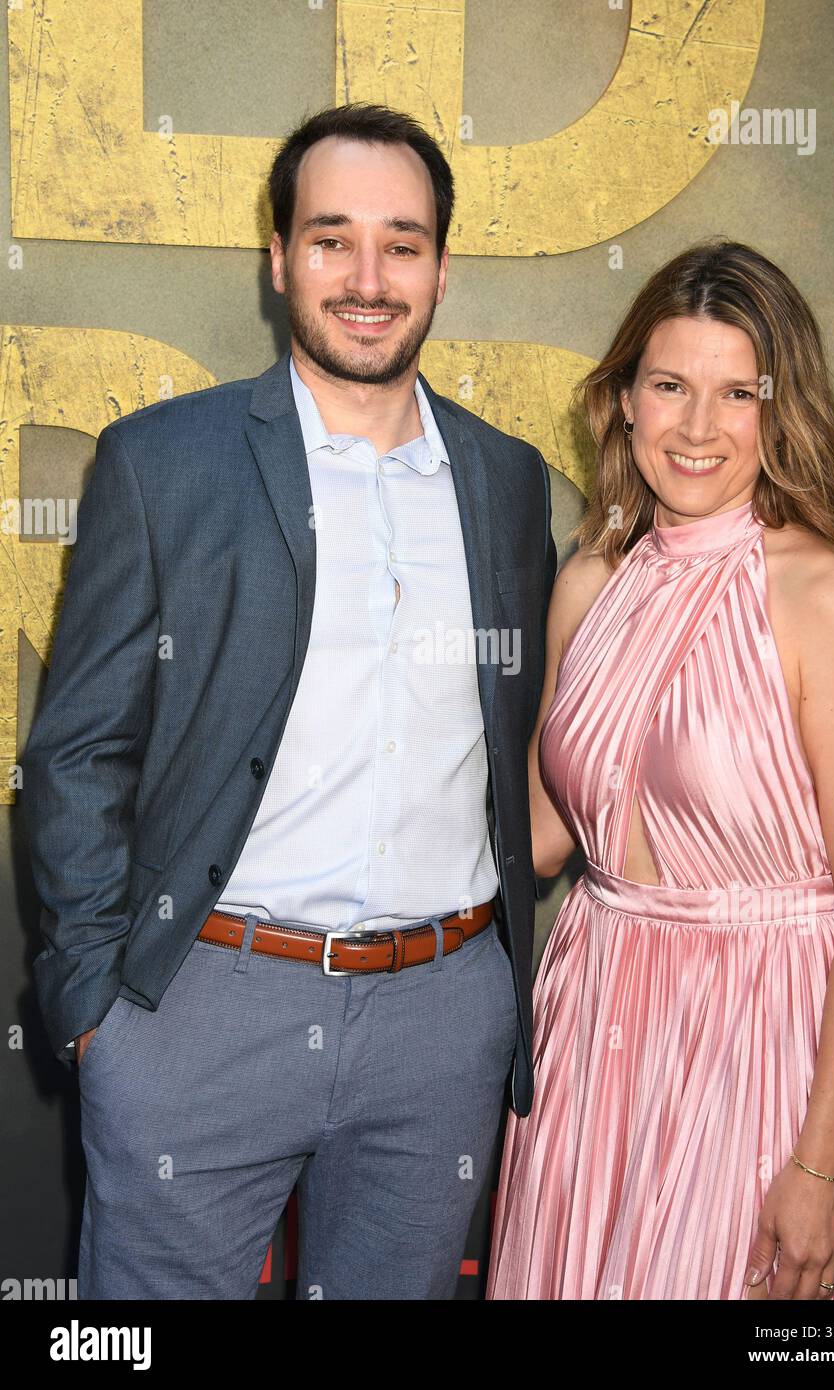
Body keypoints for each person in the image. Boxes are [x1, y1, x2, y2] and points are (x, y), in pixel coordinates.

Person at [22, 101, 556, 1300]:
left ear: (442, 266)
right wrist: (98, 1016)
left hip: (441, 1018)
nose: (368, 278)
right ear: (278, 258)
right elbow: (78, 752)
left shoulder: (506, 482)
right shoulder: (163, 461)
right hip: (203, 1005)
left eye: (402, 243)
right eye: (331, 239)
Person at [486, 240, 834, 1300]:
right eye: (670, 385)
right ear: (623, 398)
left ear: (782, 411)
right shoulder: (591, 576)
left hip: (762, 1036)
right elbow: (541, 835)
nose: (696, 427)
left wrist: (821, 1165)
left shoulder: (825, 595)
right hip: (593, 1024)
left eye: (737, 394)